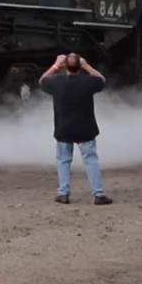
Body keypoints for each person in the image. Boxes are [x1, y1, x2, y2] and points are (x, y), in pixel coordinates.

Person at [38, 53, 112, 205]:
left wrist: (55, 65)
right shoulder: (88, 82)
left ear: (65, 66)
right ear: (80, 66)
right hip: (86, 128)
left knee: (63, 161)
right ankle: (98, 193)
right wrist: (86, 66)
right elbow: (102, 80)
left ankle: (63, 193)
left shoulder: (56, 82)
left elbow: (41, 81)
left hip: (63, 128)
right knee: (91, 160)